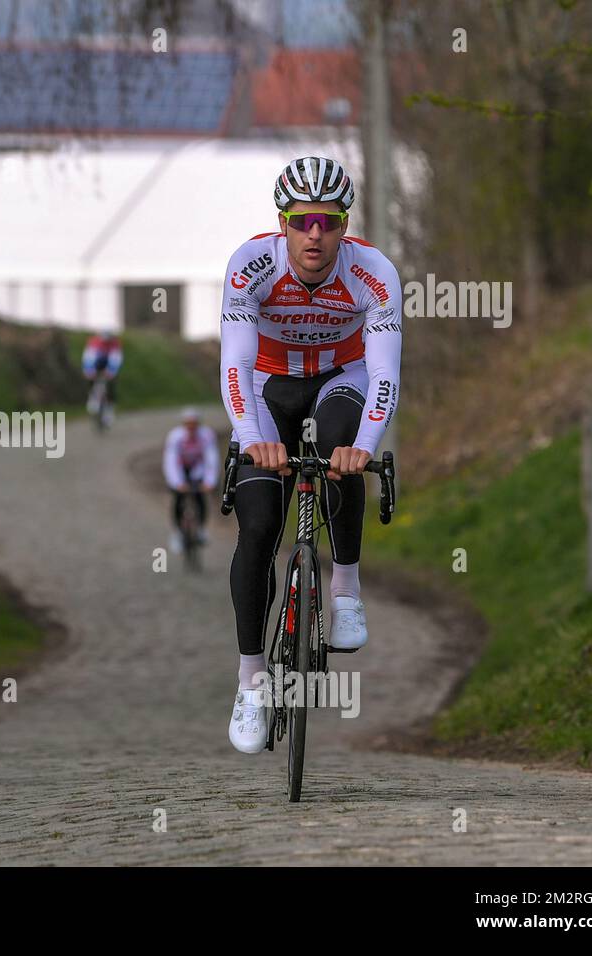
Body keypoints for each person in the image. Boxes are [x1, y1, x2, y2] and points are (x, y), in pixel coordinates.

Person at [219, 157, 402, 754]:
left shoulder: (374, 274)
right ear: (283, 223)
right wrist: (252, 440)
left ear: (345, 225)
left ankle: (344, 589)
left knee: (340, 446)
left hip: (341, 378)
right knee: (261, 525)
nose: (315, 235)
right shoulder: (250, 266)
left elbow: (383, 375)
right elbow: (235, 367)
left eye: (328, 221)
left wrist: (364, 450)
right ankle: (251, 684)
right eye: (302, 222)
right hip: (270, 387)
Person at [162, 407, 219, 553]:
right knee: (178, 500)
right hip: (180, 469)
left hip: (198, 469)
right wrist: (176, 483)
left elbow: (211, 458)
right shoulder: (175, 436)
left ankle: (200, 528)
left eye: (194, 424)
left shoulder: (206, 435)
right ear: (184, 424)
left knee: (200, 498)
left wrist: (209, 482)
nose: (191, 427)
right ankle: (178, 533)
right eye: (188, 424)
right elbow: (170, 461)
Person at [82, 331, 123, 416]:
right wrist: (89, 370)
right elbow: (89, 357)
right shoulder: (94, 342)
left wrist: (112, 371)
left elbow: (116, 358)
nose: (105, 343)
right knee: (90, 379)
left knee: (111, 383)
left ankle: (110, 407)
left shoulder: (115, 344)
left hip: (109, 362)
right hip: (97, 362)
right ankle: (92, 397)